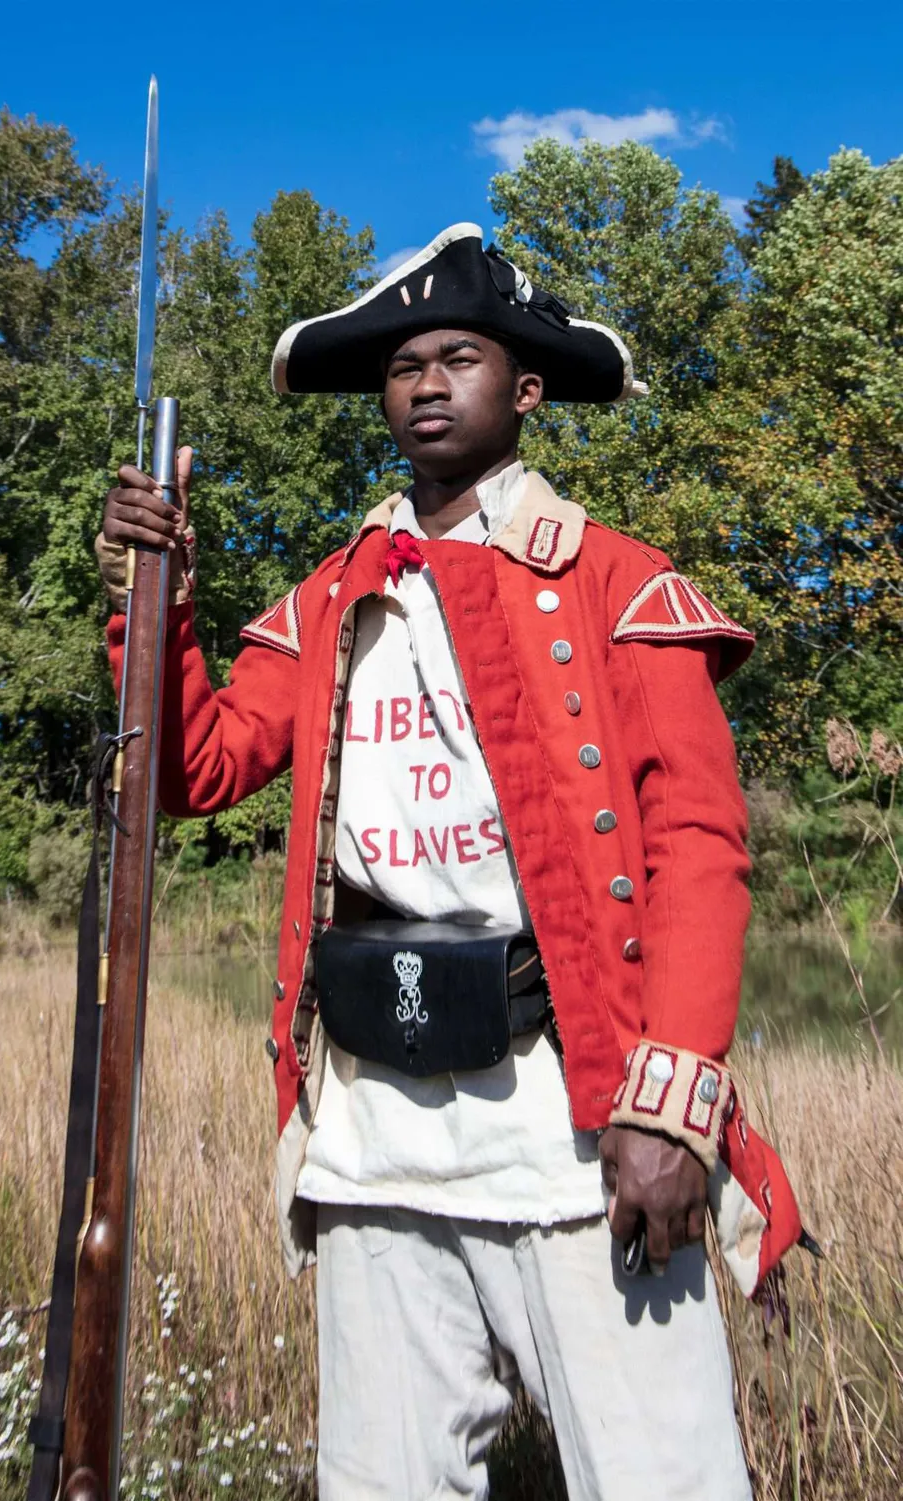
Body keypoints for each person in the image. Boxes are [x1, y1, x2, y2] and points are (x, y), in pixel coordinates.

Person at [96, 224, 803, 1501]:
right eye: (402, 364)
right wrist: (158, 603)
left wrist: (672, 1106)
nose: (424, 384)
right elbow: (193, 769)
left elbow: (699, 845)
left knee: (662, 1480)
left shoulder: (621, 587)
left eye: (458, 358)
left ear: (523, 389)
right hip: (371, 1136)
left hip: (575, 1130)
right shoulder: (327, 602)